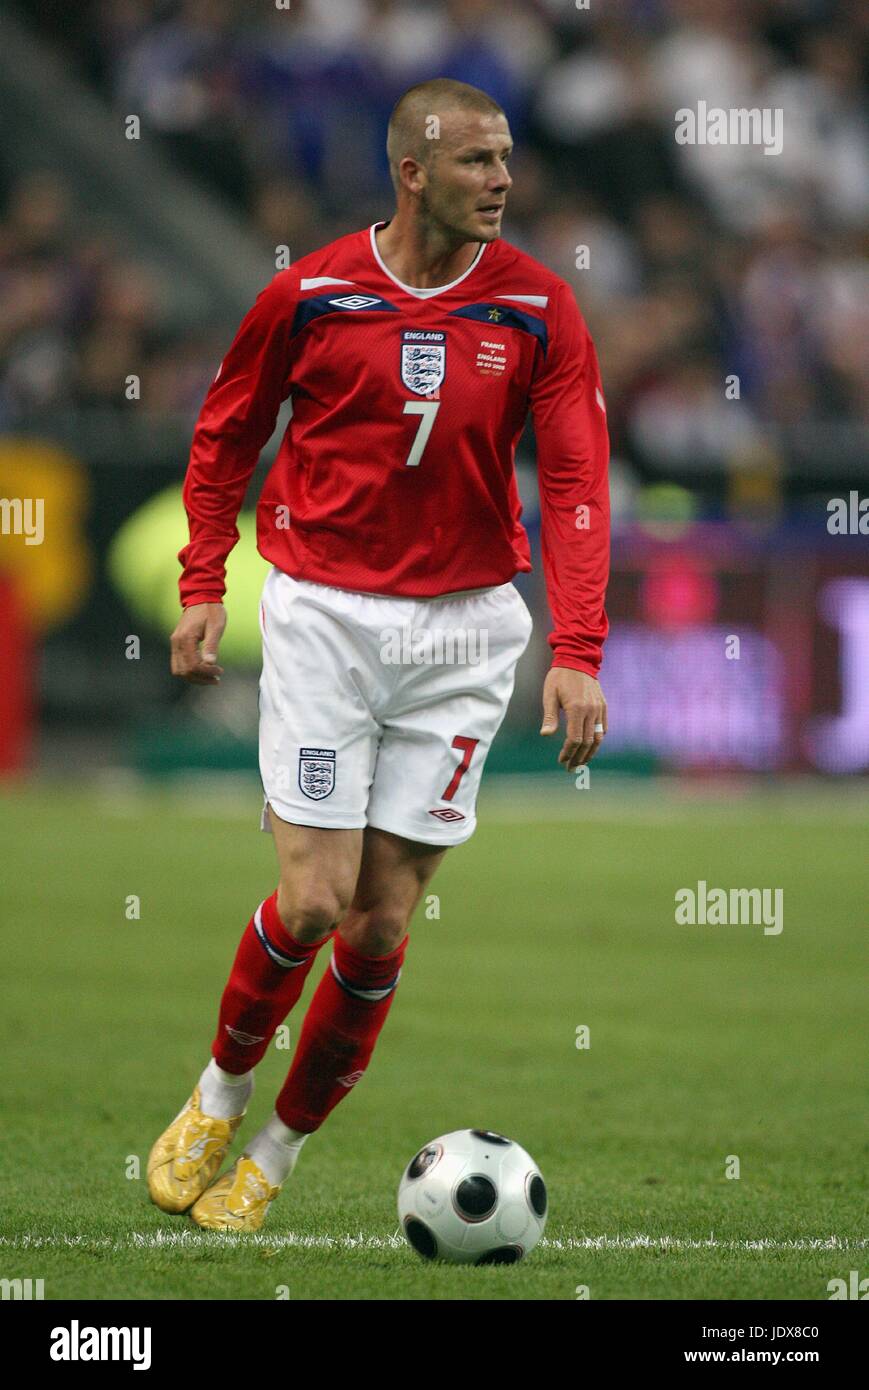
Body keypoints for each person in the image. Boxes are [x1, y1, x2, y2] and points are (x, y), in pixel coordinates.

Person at [147, 77, 610, 1232]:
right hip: (326, 618)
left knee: (380, 922)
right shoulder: (307, 296)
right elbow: (224, 435)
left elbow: (573, 480)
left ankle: (273, 1155)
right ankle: (219, 1091)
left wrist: (578, 643)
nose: (502, 180)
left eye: (506, 160)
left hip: (463, 634)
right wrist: (204, 580)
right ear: (412, 171)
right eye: (477, 162)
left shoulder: (540, 308)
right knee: (311, 902)